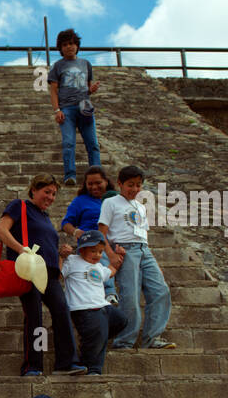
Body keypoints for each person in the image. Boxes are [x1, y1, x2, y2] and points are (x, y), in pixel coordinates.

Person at [0, 174, 85, 376]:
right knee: (35, 317)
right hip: (29, 270)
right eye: (47, 192)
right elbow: (1, 230)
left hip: (50, 274)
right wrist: (21, 249)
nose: (51, 197)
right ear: (34, 190)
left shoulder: (45, 217)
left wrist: (60, 256)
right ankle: (34, 365)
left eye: (54, 194)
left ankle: (66, 363)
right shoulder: (19, 206)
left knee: (62, 312)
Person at [99, 165, 175, 349]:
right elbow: (101, 233)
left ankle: (152, 337)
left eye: (138, 185)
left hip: (144, 250)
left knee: (160, 291)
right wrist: (110, 255)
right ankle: (124, 340)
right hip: (125, 250)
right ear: (119, 184)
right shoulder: (111, 203)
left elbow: (142, 235)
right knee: (130, 296)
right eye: (130, 185)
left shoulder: (140, 206)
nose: (134, 189)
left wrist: (151, 260)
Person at [63, 230, 127, 374]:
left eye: (100, 252)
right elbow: (59, 272)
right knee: (98, 331)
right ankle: (92, 368)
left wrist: (119, 257)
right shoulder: (72, 261)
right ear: (82, 249)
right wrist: (61, 256)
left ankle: (93, 338)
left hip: (103, 306)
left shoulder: (98, 266)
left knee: (121, 320)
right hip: (84, 308)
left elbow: (110, 271)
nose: (97, 255)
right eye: (93, 251)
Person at [59, 167, 121, 302]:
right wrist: (76, 231)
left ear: (106, 181)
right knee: (99, 251)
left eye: (98, 183)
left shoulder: (116, 198)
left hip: (116, 240)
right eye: (90, 184)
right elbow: (66, 223)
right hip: (91, 241)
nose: (94, 187)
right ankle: (109, 293)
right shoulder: (80, 201)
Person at [48, 28, 101, 185]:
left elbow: (87, 88)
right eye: (65, 45)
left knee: (93, 144)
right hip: (67, 109)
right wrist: (57, 110)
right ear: (60, 48)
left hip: (84, 107)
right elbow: (53, 91)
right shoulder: (57, 66)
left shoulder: (86, 64)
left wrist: (91, 91)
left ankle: (97, 175)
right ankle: (70, 175)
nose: (69, 47)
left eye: (72, 43)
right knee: (68, 143)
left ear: (77, 45)